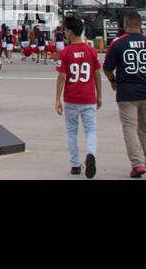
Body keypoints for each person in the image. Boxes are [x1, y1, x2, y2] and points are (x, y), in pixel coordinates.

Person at [102, 9, 146, 177]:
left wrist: (112, 80)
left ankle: (137, 163)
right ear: (141, 24)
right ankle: (143, 160)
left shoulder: (118, 44)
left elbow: (107, 68)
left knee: (130, 128)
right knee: (144, 129)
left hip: (127, 92)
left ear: (125, 24)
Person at [54, 14, 101, 178]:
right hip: (88, 97)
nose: (65, 33)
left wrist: (57, 99)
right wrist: (99, 95)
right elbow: (97, 74)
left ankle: (75, 164)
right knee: (90, 131)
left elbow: (61, 77)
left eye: (66, 30)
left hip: (71, 98)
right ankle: (91, 154)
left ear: (71, 32)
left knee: (72, 132)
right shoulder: (91, 51)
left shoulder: (65, 53)